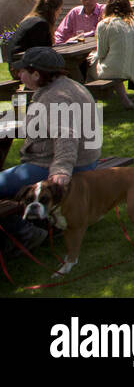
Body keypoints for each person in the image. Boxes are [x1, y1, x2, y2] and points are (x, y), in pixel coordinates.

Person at [0, 46, 102, 255]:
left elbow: (66, 135)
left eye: (23, 71)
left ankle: (24, 231)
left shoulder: (54, 97)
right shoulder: (67, 86)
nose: (19, 75)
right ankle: (38, 222)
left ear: (36, 74)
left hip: (64, 165)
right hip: (86, 160)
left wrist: (61, 170)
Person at [90, 0, 134, 108]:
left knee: (88, 67)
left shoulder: (105, 24)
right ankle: (125, 100)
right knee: (116, 63)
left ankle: (92, 104)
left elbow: (102, 53)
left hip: (117, 70)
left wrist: (92, 56)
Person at [3, 0, 62, 65]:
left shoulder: (30, 19)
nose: (60, 11)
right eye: (60, 8)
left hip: (17, 61)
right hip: (22, 66)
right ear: (54, 10)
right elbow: (43, 50)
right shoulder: (40, 24)